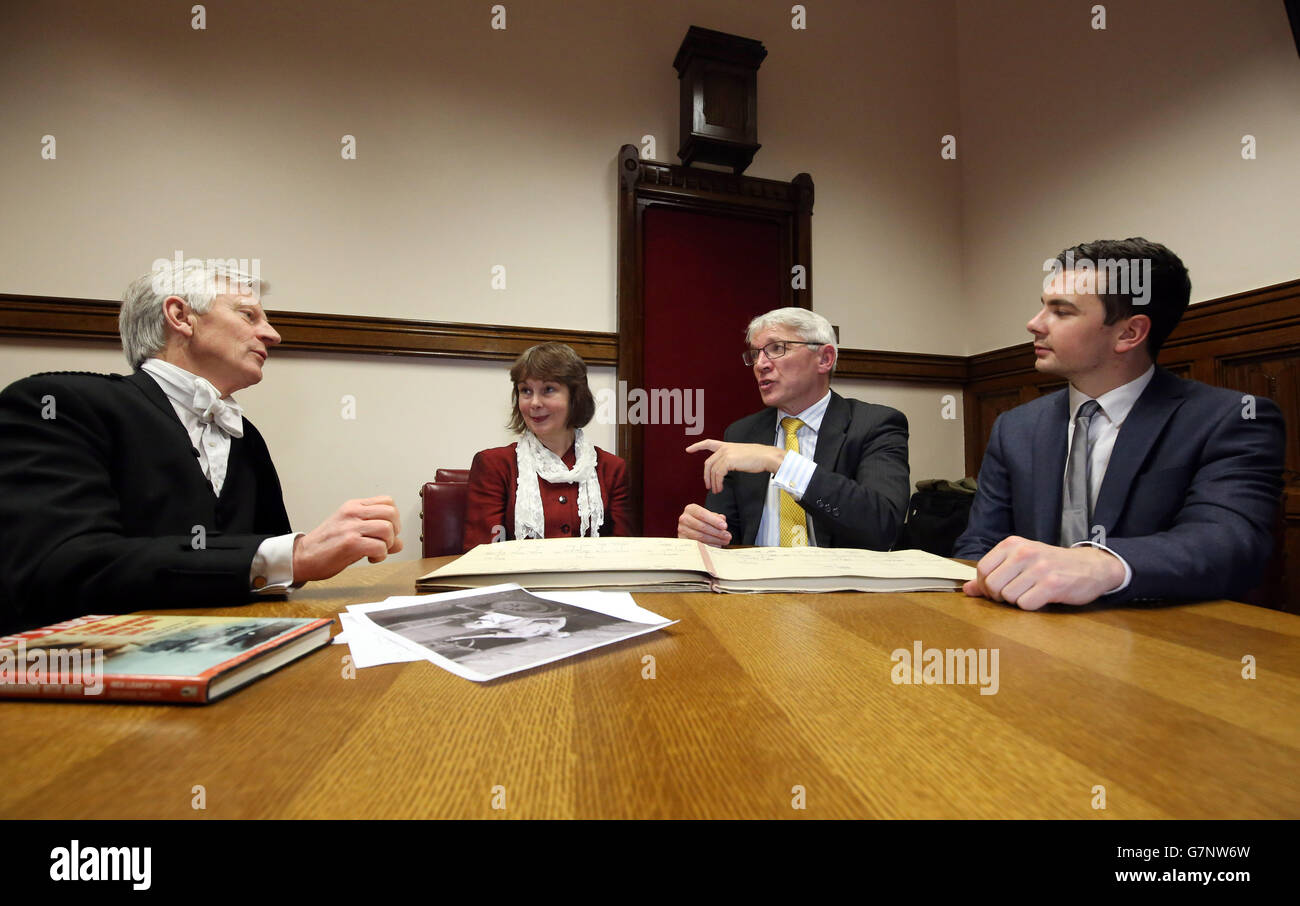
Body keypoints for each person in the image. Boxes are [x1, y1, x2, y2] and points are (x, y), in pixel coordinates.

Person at [0, 259, 402, 635]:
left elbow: (271, 576)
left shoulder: (247, 437)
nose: (273, 334)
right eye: (248, 315)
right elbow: (59, 568)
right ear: (180, 317)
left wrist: (294, 560)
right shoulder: (55, 403)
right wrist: (294, 555)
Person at [953, 238, 1284, 609]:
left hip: (1161, 643)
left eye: (1061, 312)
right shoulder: (1014, 426)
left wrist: (1102, 565)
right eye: (1042, 307)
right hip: (1024, 635)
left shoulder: (1231, 419)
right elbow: (978, 545)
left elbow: (1229, 543)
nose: (1034, 324)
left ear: (1129, 333)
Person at [676, 307, 910, 549]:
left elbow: (883, 526)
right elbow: (727, 537)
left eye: (777, 348)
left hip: (837, 584)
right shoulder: (741, 434)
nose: (760, 364)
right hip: (755, 583)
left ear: (824, 359)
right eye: (756, 354)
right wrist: (704, 533)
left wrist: (781, 461)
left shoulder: (875, 425)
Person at [462, 342, 631, 549]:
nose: (534, 403)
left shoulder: (612, 469)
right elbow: (481, 558)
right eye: (526, 390)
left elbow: (624, 554)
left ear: (575, 397)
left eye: (548, 389)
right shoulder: (493, 465)